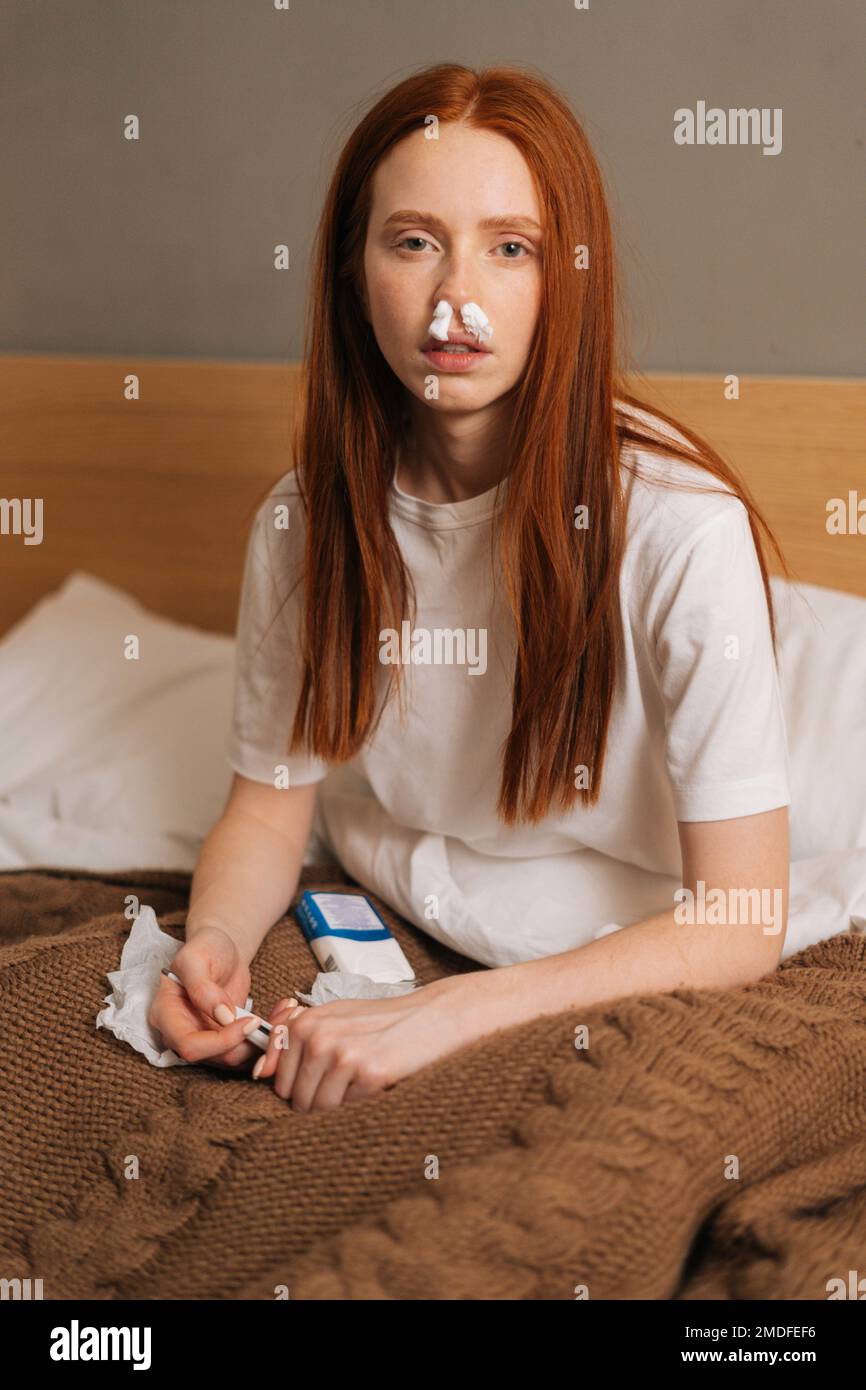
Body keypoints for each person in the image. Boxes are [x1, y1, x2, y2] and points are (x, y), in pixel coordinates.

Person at [150, 63, 791, 1113]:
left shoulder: (683, 531)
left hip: (685, 870)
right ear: (352, 274)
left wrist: (451, 1011)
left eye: (509, 248)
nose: (457, 299)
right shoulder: (305, 520)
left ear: (565, 277)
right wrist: (210, 940)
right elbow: (269, 813)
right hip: (439, 876)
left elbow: (741, 912)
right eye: (412, 241)